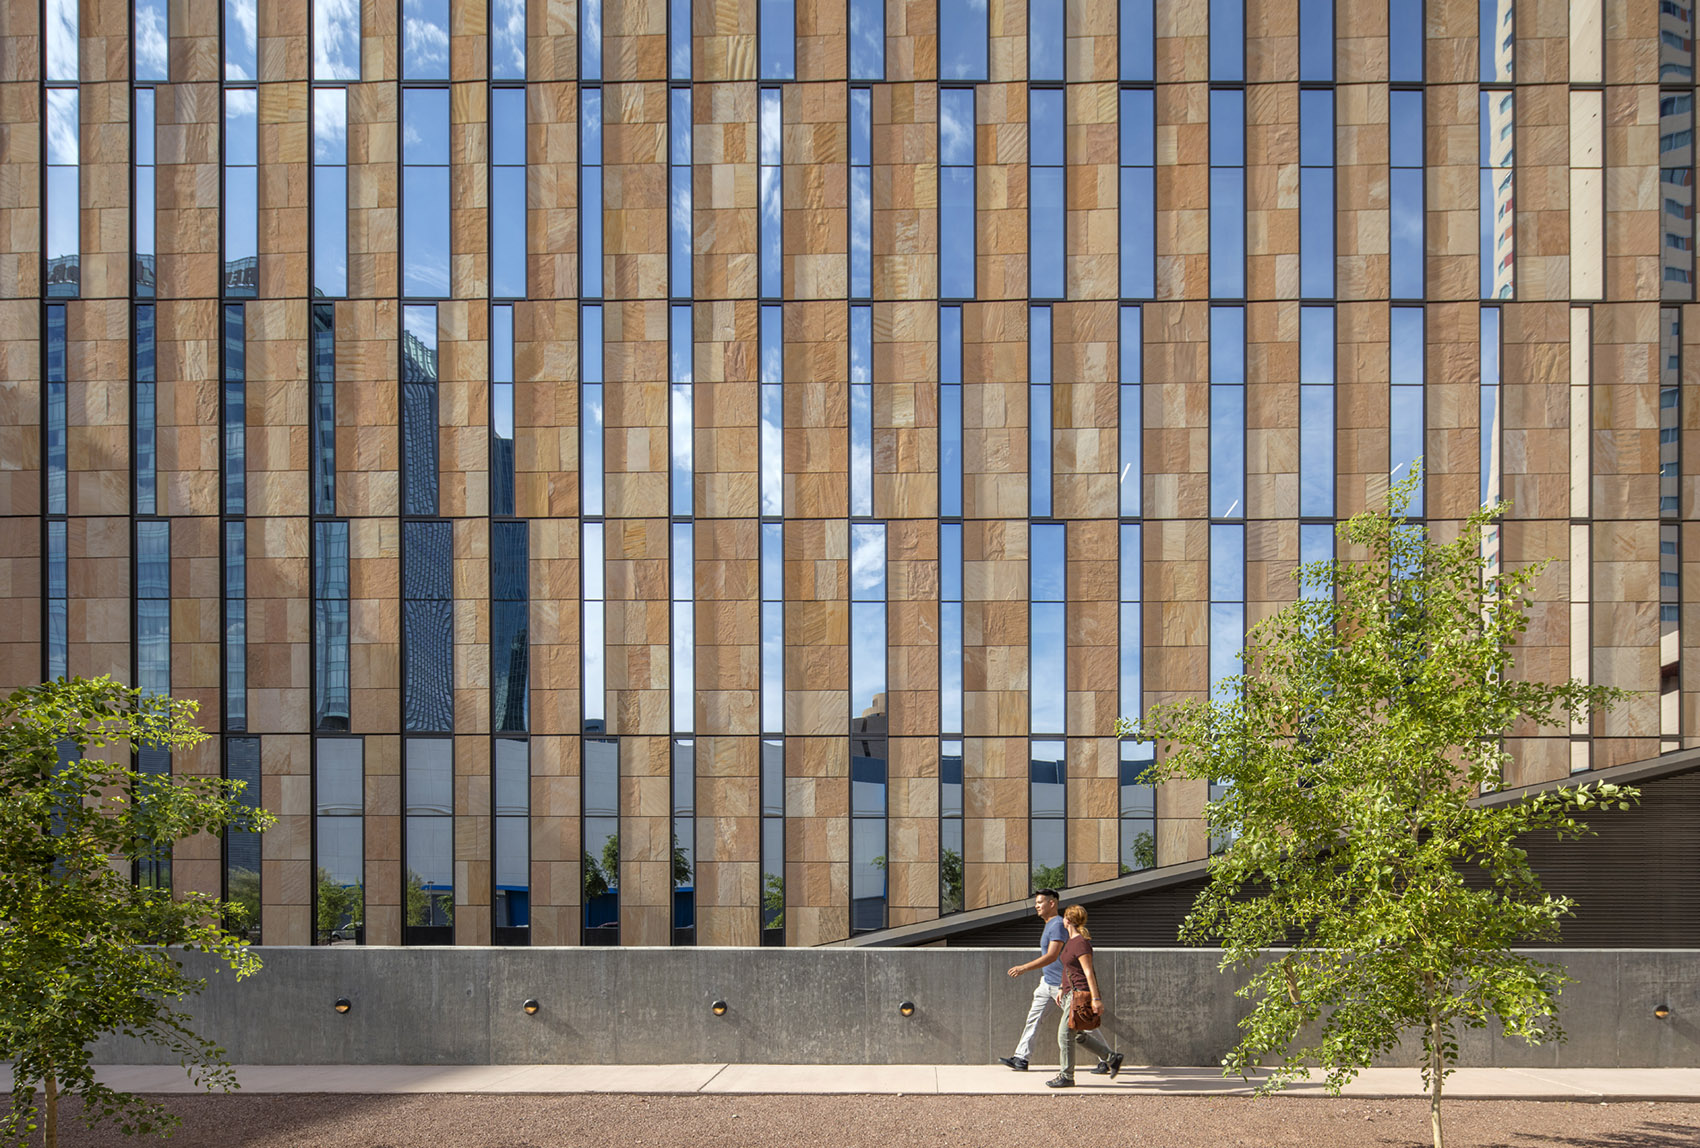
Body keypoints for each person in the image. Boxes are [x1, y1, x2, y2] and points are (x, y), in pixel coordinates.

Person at [1046, 904, 1122, 1088]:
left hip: (1078, 995)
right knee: (1077, 1034)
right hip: (1068, 994)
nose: (1062, 920)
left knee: (1064, 1034)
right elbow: (1068, 969)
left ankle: (1067, 1076)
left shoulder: (1081, 942)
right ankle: (1111, 1057)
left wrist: (1096, 999)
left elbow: (1088, 972)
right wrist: (1060, 990)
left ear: (1068, 920)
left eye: (1064, 917)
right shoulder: (1070, 942)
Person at [997, 889, 1067, 1071]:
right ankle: (1021, 1058)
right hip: (1047, 983)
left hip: (1061, 985)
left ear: (1052, 903)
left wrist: (1024, 968)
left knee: (1082, 1023)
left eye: (1040, 902)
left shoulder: (1058, 924)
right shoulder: (1049, 924)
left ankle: (1108, 1057)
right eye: (1036, 903)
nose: (1036, 906)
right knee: (1033, 1019)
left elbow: (1052, 956)